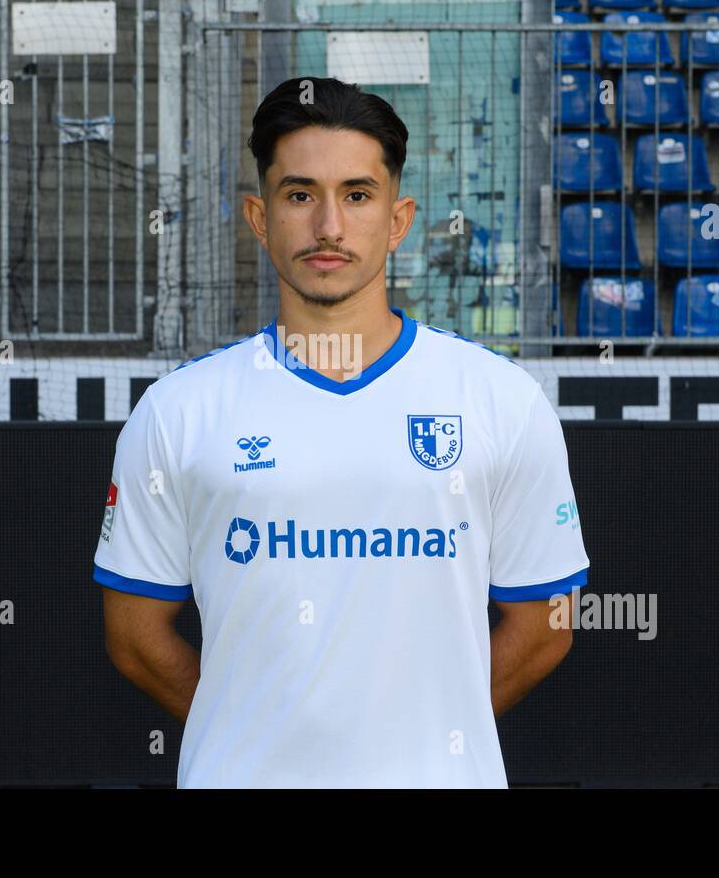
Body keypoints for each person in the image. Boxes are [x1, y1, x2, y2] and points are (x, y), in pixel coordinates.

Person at [94, 76, 589, 787]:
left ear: (398, 219)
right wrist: (254, 730)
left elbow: (546, 623)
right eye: (300, 195)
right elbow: (136, 639)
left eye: (357, 195)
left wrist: (419, 739)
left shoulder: (499, 399)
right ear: (260, 218)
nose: (329, 225)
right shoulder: (179, 411)